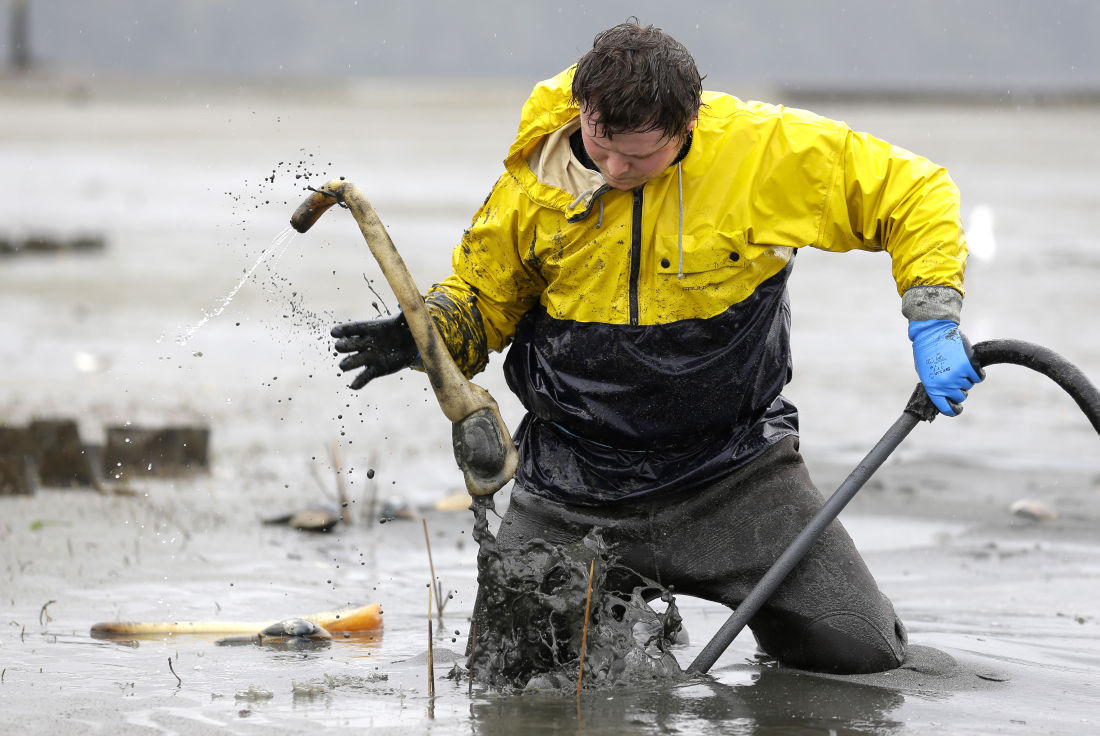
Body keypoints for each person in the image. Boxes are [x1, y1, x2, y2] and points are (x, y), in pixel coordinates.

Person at [330, 20, 982, 675]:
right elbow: (482, 298)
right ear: (583, 109)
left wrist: (932, 320)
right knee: (507, 679)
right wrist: (425, 333)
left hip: (738, 473)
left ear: (689, 123)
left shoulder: (763, 153)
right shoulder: (545, 171)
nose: (614, 171)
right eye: (601, 146)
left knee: (860, 656)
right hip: (572, 487)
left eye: (639, 158)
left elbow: (915, 192)